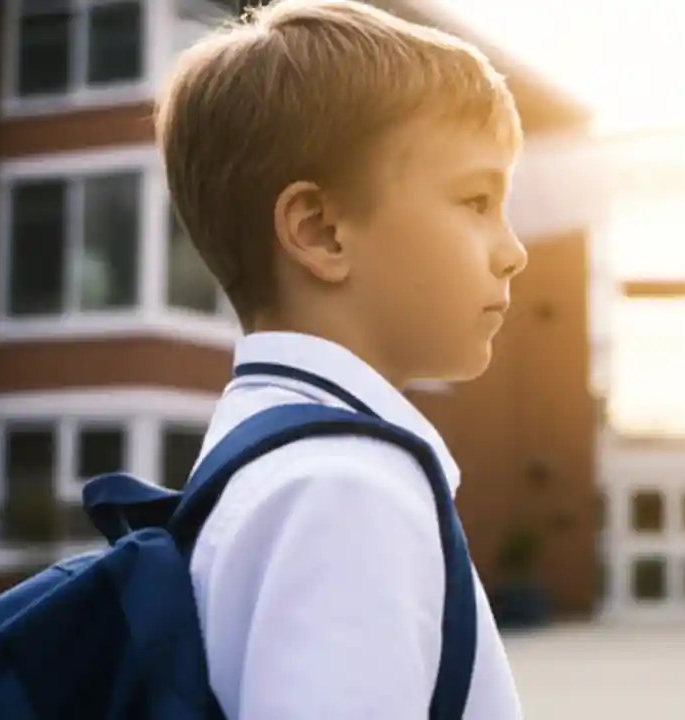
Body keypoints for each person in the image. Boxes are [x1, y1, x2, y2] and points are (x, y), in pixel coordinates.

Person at [153, 0, 529, 716]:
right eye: (477, 200)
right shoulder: (346, 492)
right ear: (322, 231)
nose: (513, 252)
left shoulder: (277, 462)